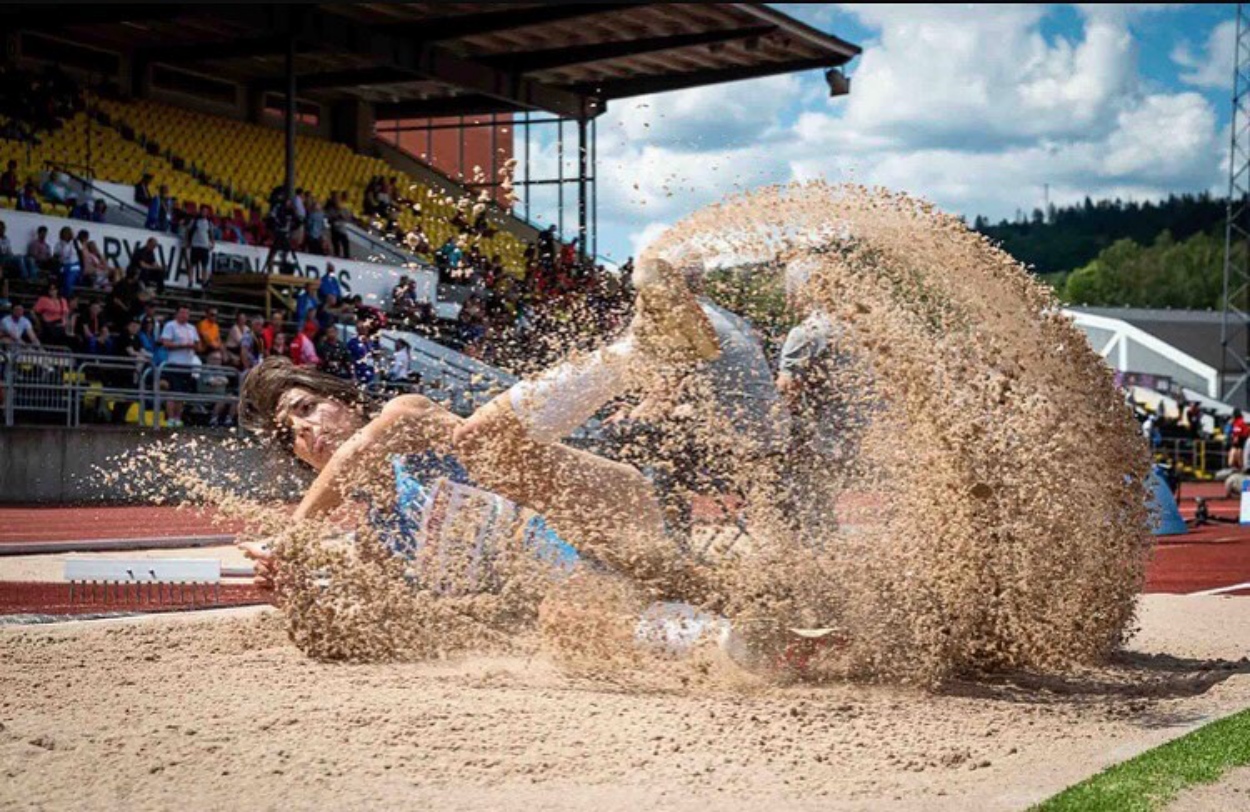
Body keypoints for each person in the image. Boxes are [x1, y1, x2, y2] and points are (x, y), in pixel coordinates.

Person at [237, 257, 723, 615]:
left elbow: (361, 450)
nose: (303, 430)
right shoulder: (377, 544)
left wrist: (291, 539)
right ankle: (726, 639)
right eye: (291, 434)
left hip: (604, 511)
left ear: (344, 403)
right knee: (563, 620)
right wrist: (295, 593)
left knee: (478, 440)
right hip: (599, 587)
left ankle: (641, 349)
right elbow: (375, 626)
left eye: (306, 409)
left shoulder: (406, 420)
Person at [159, 305, 200, 428]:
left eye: (187, 313)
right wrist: (183, 345)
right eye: (182, 313)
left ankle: (178, 417)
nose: (184, 316)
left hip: (187, 364)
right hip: (174, 363)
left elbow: (197, 343)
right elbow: (165, 343)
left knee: (182, 393)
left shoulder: (191, 328)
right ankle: (170, 417)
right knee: (173, 392)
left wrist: (194, 346)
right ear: (177, 314)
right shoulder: (170, 326)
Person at [187, 205, 215, 285]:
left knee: (204, 265)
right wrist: (188, 241)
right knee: (192, 264)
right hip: (195, 245)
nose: (204, 213)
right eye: (203, 211)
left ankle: (204, 281)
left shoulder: (209, 223)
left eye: (206, 212)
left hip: (204, 246)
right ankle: (190, 280)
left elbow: (211, 234)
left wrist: (212, 242)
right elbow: (188, 231)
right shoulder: (194, 221)